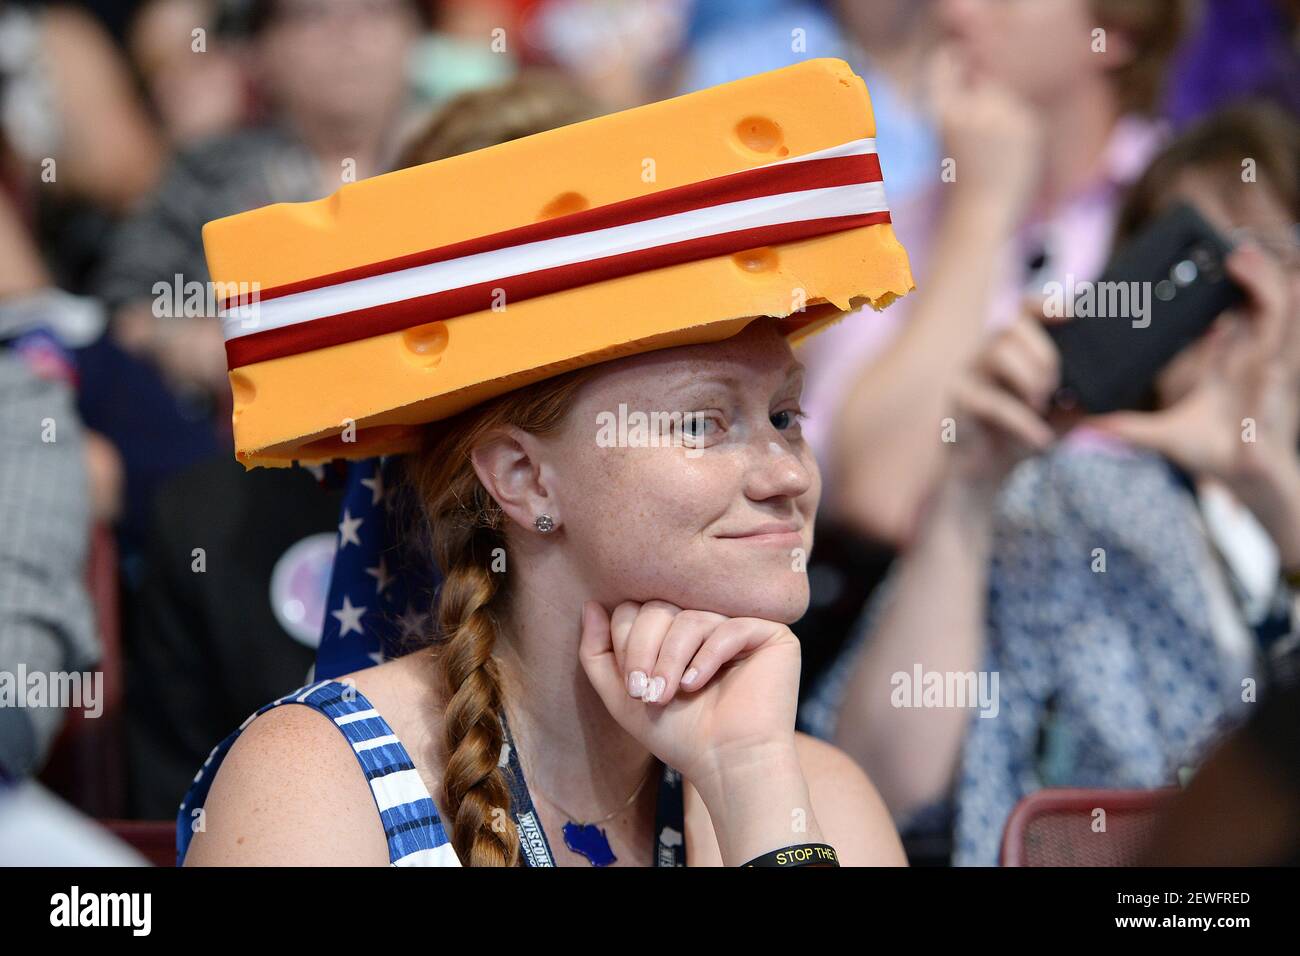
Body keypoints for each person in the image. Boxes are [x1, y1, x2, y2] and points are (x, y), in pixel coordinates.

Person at [178, 59, 914, 866]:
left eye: (785, 416)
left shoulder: (814, 791)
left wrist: (754, 790)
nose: (791, 475)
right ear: (525, 480)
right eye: (704, 424)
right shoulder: (315, 782)